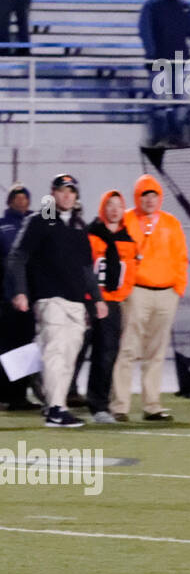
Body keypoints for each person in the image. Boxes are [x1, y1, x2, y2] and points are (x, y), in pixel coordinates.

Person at [4, 174, 105, 428]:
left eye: (71, 191)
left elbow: (85, 269)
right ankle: (56, 408)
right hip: (50, 298)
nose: (67, 195)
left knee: (68, 356)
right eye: (62, 191)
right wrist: (20, 291)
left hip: (75, 302)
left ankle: (54, 404)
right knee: (55, 352)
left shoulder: (78, 226)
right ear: (53, 193)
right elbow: (18, 257)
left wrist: (97, 299)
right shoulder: (41, 219)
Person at [110, 175, 189, 422]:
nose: (150, 200)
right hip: (137, 292)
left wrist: (178, 287)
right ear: (138, 197)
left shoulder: (171, 223)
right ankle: (120, 405)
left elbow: (181, 257)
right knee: (128, 348)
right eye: (145, 195)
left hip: (166, 293)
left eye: (154, 195)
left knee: (156, 352)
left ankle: (152, 405)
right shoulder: (127, 220)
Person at [83, 190, 137, 423]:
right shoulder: (90, 235)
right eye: (110, 205)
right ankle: (57, 399)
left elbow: (130, 275)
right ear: (102, 208)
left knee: (106, 354)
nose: (114, 210)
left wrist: (115, 297)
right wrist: (89, 299)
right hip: (88, 302)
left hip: (112, 303)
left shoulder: (128, 240)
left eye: (118, 205)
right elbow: (82, 269)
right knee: (73, 353)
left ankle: (99, 405)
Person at [139, 0, 190, 145]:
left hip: (180, 59)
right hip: (159, 60)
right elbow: (145, 31)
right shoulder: (152, 6)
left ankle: (177, 135)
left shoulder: (184, 7)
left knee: (181, 99)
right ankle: (159, 135)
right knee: (159, 100)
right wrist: (151, 54)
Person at [0, 183, 37, 409]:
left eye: (25, 197)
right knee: (7, 346)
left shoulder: (34, 224)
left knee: (27, 347)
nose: (22, 201)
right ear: (10, 201)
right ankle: (4, 394)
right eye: (17, 197)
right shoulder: (3, 226)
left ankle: (20, 395)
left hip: (31, 297)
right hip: (7, 297)